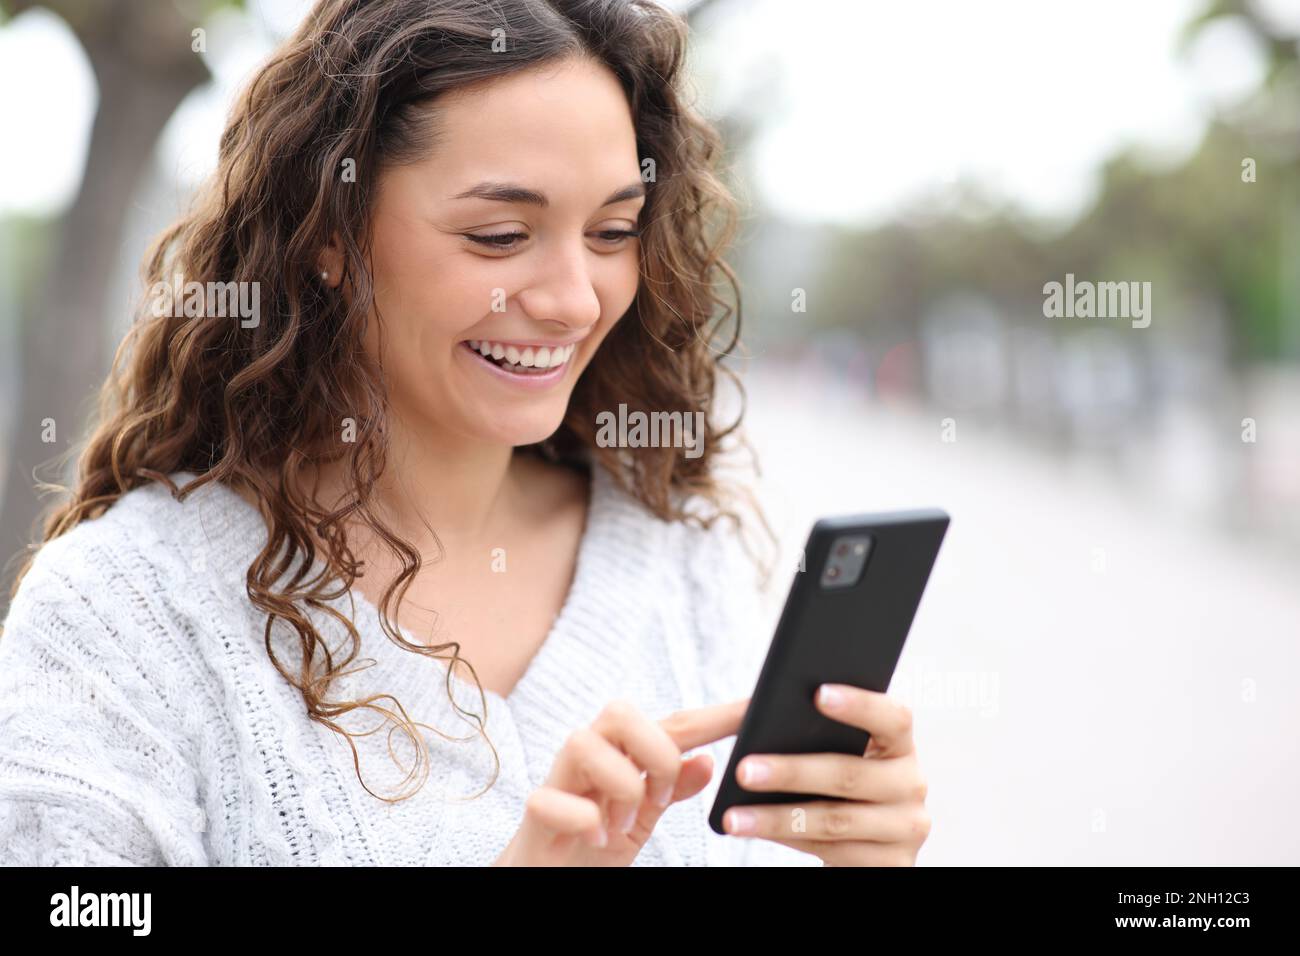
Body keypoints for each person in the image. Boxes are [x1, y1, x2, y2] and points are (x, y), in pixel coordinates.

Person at [0, 0, 929, 866]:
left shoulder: (681, 560)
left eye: (612, 232)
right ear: (326, 231)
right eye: (498, 237)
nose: (573, 299)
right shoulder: (123, 614)